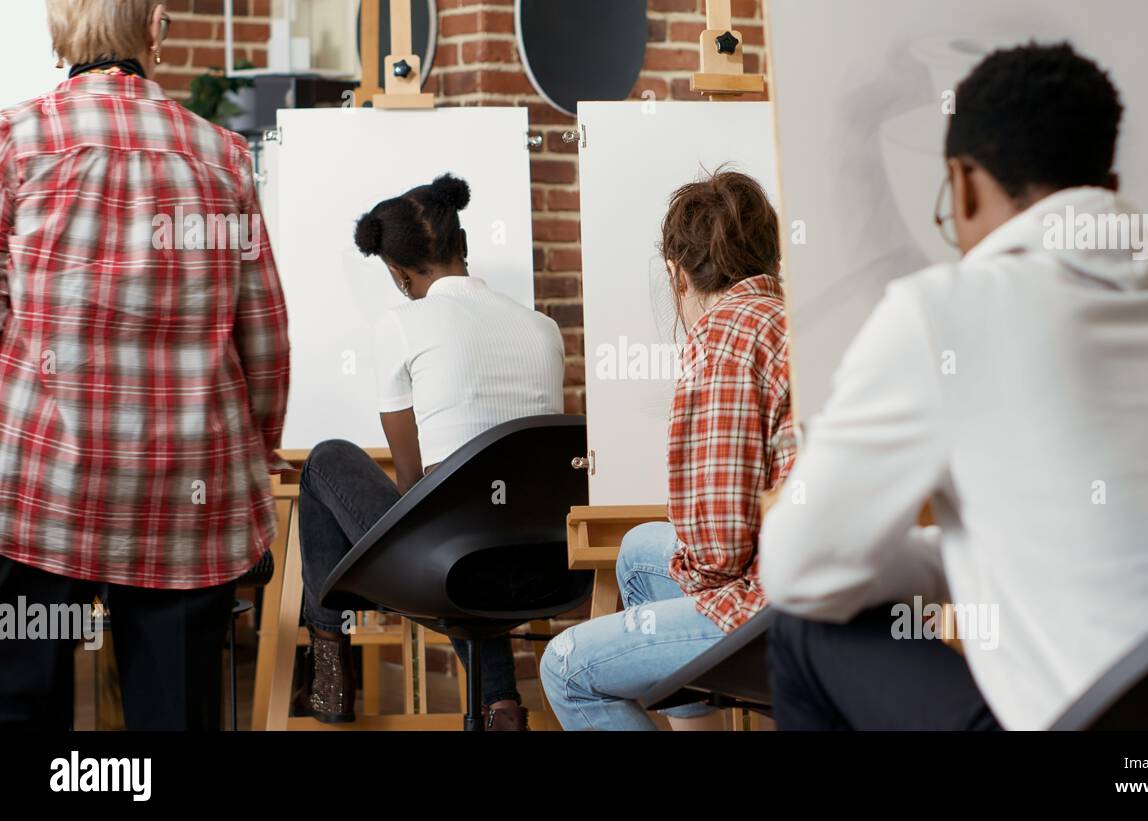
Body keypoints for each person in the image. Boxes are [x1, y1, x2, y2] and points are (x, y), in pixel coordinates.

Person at [759, 42, 1148, 730]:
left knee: (803, 628)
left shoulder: (943, 313)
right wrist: (976, 546)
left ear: (963, 184)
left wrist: (948, 559)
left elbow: (799, 569)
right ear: (1108, 184)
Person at [0, 1, 291, 729]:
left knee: (20, 701)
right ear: (156, 26)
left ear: (58, 35)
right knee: (176, 712)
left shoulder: (15, 140)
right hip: (187, 491)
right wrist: (258, 452)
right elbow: (264, 336)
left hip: (42, 486)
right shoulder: (223, 155)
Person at [296, 173, 564, 730]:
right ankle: (500, 707)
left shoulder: (402, 324)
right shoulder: (543, 328)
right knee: (474, 530)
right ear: (463, 245)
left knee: (326, 459)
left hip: (450, 572)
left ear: (397, 274)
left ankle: (330, 672)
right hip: (547, 569)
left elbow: (412, 482)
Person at [541, 169, 795, 730]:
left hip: (779, 610)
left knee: (565, 667)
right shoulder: (795, 319)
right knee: (638, 551)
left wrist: (691, 574)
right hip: (839, 589)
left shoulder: (722, 338)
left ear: (678, 275)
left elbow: (720, 551)